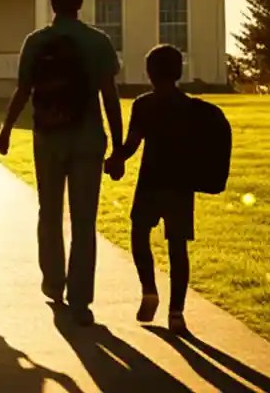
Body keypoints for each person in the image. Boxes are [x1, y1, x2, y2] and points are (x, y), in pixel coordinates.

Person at [0, 0, 122, 326]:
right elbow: (110, 96)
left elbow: (23, 91)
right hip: (88, 138)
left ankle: (53, 283)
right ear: (80, 1)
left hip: (48, 138)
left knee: (49, 213)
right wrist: (119, 146)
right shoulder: (98, 42)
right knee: (83, 221)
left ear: (51, 2)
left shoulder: (36, 42)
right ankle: (80, 299)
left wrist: (4, 133)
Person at [104, 44, 194, 334]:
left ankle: (149, 290)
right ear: (179, 72)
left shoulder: (143, 104)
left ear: (149, 73)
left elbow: (132, 143)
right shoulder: (189, 106)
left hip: (151, 180)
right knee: (178, 246)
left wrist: (116, 160)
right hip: (181, 182)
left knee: (139, 233)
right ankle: (177, 311)